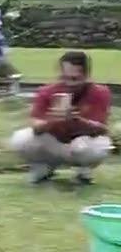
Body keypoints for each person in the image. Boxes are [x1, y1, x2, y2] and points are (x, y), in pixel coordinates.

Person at [9, 50, 113, 185]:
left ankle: (83, 170)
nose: (69, 83)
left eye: (74, 79)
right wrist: (53, 119)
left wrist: (79, 121)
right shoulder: (46, 91)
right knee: (20, 139)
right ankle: (44, 168)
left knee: (94, 145)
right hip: (55, 143)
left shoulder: (99, 92)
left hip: (82, 144)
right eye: (64, 78)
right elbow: (35, 127)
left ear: (86, 76)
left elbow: (102, 129)